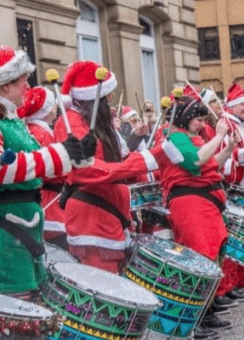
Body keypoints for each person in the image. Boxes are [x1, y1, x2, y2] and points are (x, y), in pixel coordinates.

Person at [0, 46, 93, 298]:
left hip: (15, 236)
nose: (28, 85)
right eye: (23, 79)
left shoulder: (6, 119)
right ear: (4, 84)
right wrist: (60, 154)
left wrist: (74, 156)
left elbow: (33, 168)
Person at [54, 60, 162, 274]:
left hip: (109, 215)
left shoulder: (92, 122)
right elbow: (87, 170)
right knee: (102, 288)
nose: (111, 99)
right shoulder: (72, 124)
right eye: (105, 96)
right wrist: (144, 161)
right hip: (93, 218)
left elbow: (115, 163)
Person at [154, 96, 238, 337]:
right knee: (199, 258)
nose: (202, 124)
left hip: (206, 205)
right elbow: (195, 161)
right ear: (186, 117)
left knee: (213, 256)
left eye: (203, 120)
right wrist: (219, 136)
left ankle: (206, 311)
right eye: (199, 119)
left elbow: (212, 165)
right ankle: (193, 319)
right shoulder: (176, 136)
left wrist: (228, 148)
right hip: (190, 205)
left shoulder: (193, 138)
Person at [19, 86, 69, 249]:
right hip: (49, 200)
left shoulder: (37, 130)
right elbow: (51, 167)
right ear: (47, 110)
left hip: (48, 197)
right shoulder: (41, 133)